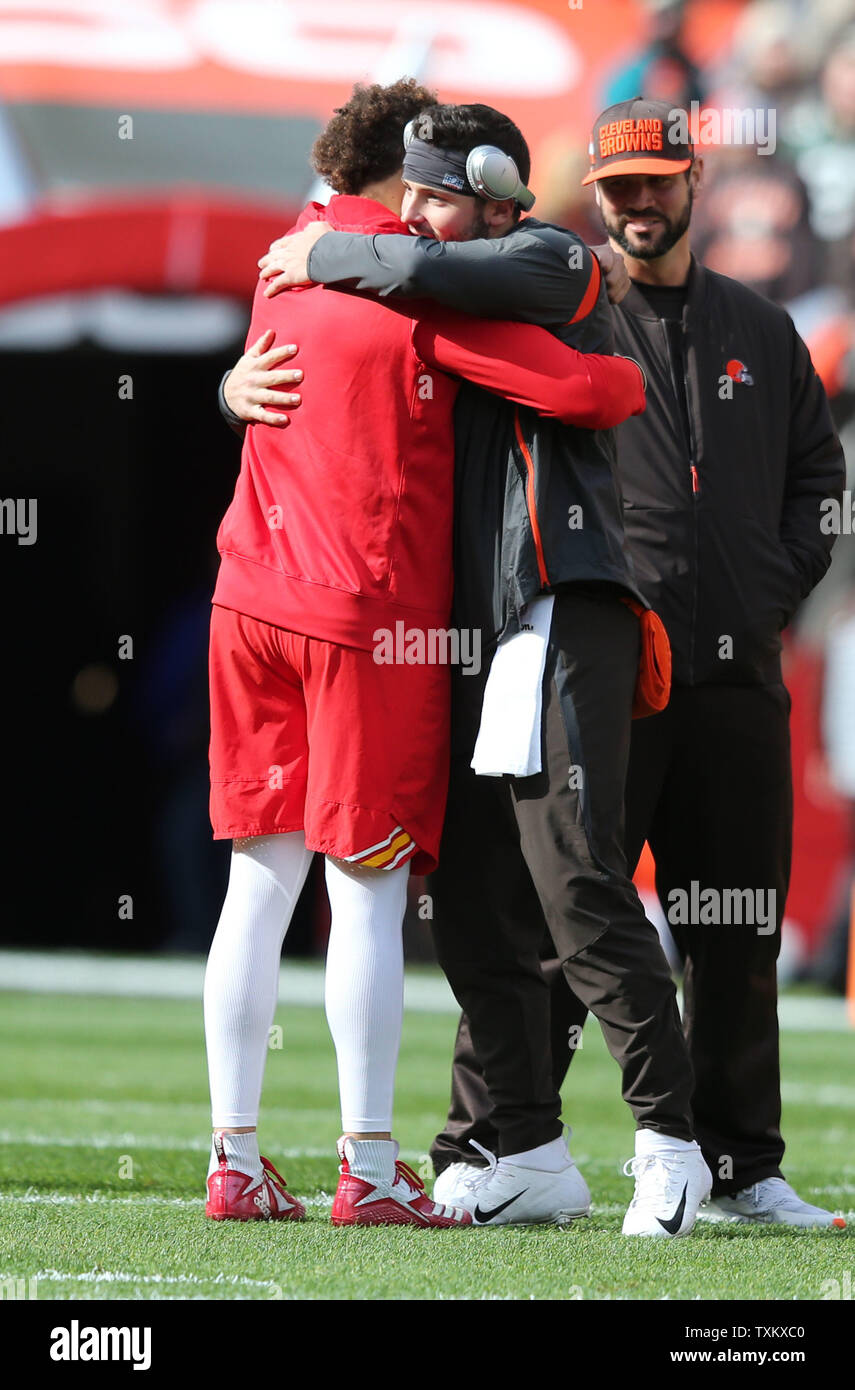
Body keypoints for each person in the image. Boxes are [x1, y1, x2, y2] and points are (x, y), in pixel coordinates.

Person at [267, 97, 846, 1229]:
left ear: (692, 186)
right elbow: (374, 346)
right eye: (619, 186)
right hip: (550, 640)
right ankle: (502, 1136)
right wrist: (243, 383)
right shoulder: (512, 287)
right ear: (595, 194)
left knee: (719, 925)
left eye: (656, 183)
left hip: (698, 662)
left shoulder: (719, 316)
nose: (637, 203)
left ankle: (723, 1158)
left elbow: (815, 484)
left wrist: (767, 596)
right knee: (527, 906)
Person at [204, 79, 646, 1229]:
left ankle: (237, 1159)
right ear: (410, 185)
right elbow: (594, 389)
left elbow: (255, 377)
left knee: (257, 883)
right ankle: (367, 1163)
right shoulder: (415, 295)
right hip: (362, 617)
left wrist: (223, 384)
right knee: (368, 890)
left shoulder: (283, 257)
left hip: (243, 598)